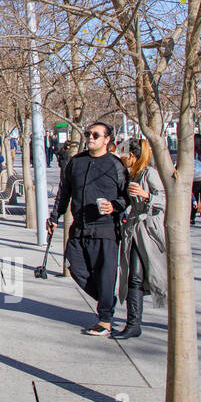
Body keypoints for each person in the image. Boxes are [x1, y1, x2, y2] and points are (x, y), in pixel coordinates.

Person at [47, 122, 129, 336]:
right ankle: (106, 300)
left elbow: (126, 196)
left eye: (95, 135)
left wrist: (115, 206)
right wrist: (55, 216)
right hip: (79, 226)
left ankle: (105, 319)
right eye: (88, 134)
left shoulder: (115, 165)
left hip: (105, 229)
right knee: (75, 267)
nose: (90, 138)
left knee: (105, 274)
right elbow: (64, 191)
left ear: (107, 139)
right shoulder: (77, 162)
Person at [114, 137, 167, 340]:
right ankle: (133, 323)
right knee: (133, 276)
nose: (122, 159)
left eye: (124, 156)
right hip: (134, 228)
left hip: (148, 231)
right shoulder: (132, 174)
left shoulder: (150, 173)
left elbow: (166, 198)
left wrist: (146, 195)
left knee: (152, 276)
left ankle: (135, 323)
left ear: (133, 156)